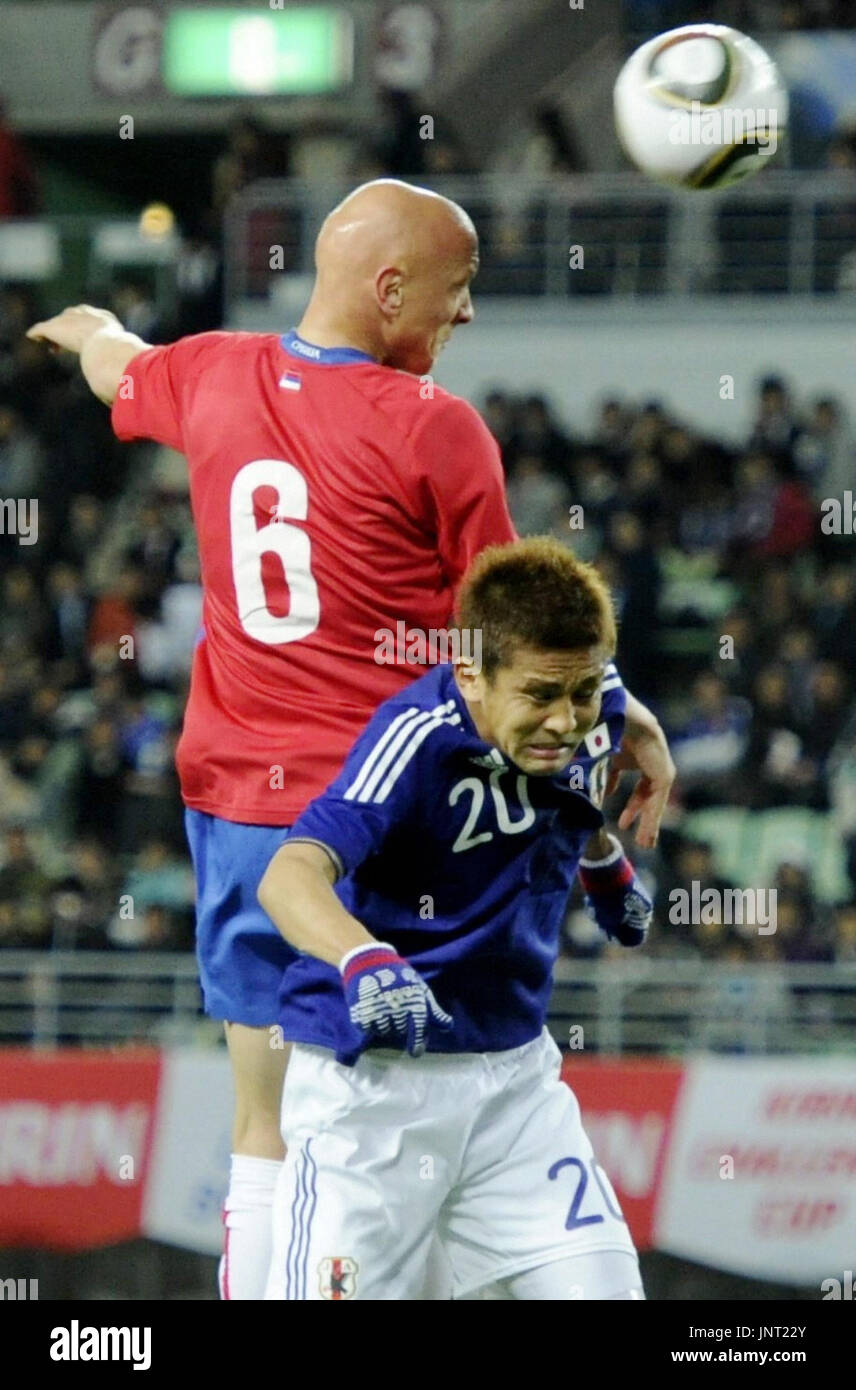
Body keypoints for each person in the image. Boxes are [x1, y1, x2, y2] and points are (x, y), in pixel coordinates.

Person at [27, 179, 674, 1299]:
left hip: (237, 811)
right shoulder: (435, 428)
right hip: (384, 818)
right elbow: (517, 618)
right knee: (392, 1104)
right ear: (390, 291)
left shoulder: (212, 372)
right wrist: (626, 708)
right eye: (457, 292)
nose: (465, 316)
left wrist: (83, 326)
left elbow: (116, 361)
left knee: (266, 1119)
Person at [258, 538, 650, 1300]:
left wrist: (602, 859)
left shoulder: (591, 704)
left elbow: (587, 758)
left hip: (514, 1090)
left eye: (582, 690)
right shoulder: (415, 738)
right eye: (541, 695)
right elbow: (289, 874)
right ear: (470, 671)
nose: (566, 721)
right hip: (370, 1095)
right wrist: (363, 958)